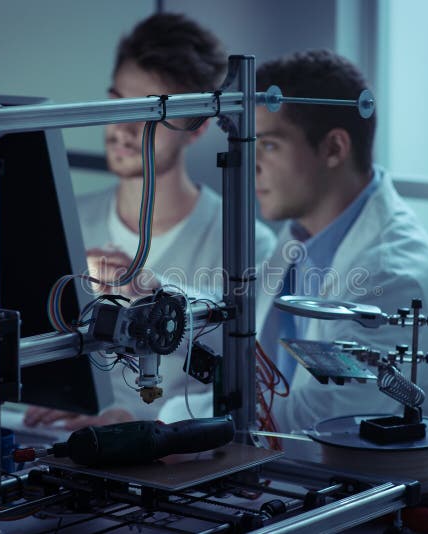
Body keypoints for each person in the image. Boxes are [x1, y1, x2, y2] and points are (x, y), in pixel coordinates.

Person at [160, 49, 428, 496]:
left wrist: (161, 427)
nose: (250, 163)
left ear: (334, 148)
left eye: (270, 145)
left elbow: (313, 418)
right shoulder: (307, 236)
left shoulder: (391, 274)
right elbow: (246, 330)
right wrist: (151, 294)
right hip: (326, 482)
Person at [23, 13, 276, 430]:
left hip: (172, 457)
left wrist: (131, 422)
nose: (121, 128)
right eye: (117, 100)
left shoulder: (245, 244)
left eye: (146, 113)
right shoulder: (66, 223)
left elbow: (255, 387)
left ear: (196, 128)